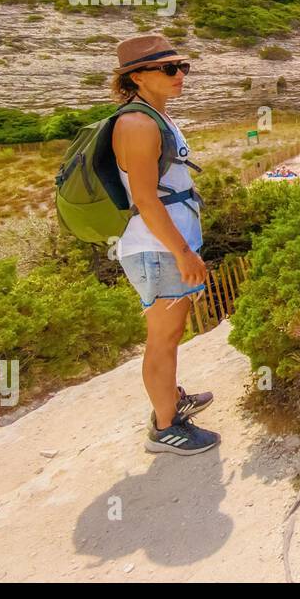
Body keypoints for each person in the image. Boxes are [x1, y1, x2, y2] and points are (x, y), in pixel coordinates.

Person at [109, 35, 219, 456]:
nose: (180, 76)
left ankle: (170, 401)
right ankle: (165, 427)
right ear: (136, 76)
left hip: (166, 244)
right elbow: (145, 199)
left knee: (171, 333)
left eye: (182, 67)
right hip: (157, 249)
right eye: (169, 69)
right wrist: (183, 253)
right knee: (163, 337)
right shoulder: (136, 124)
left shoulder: (157, 117)